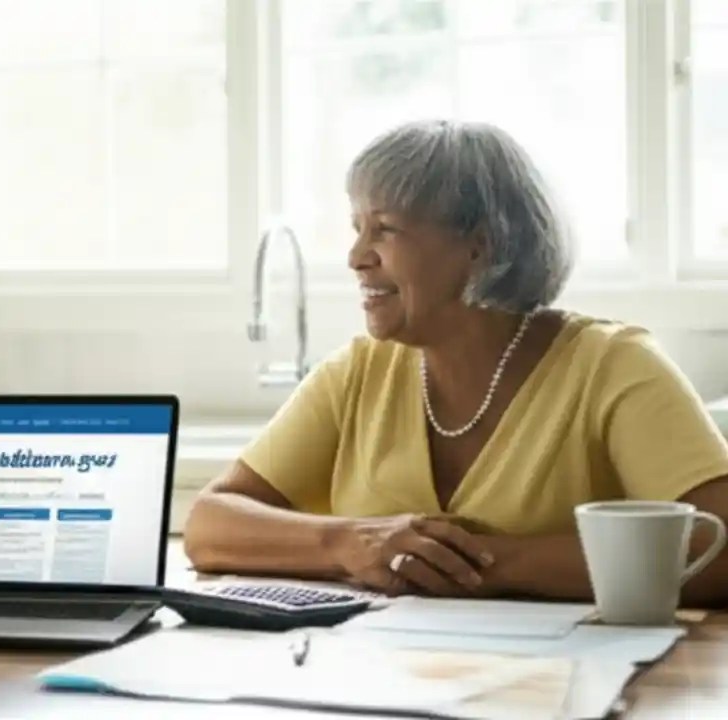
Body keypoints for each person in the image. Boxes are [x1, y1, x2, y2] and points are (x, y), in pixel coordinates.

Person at [184, 119, 728, 604]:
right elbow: (210, 524)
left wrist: (480, 563)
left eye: (385, 229)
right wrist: (352, 543)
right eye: (357, 229)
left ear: (480, 246)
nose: (355, 257)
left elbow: (721, 548)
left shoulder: (615, 366)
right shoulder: (357, 373)